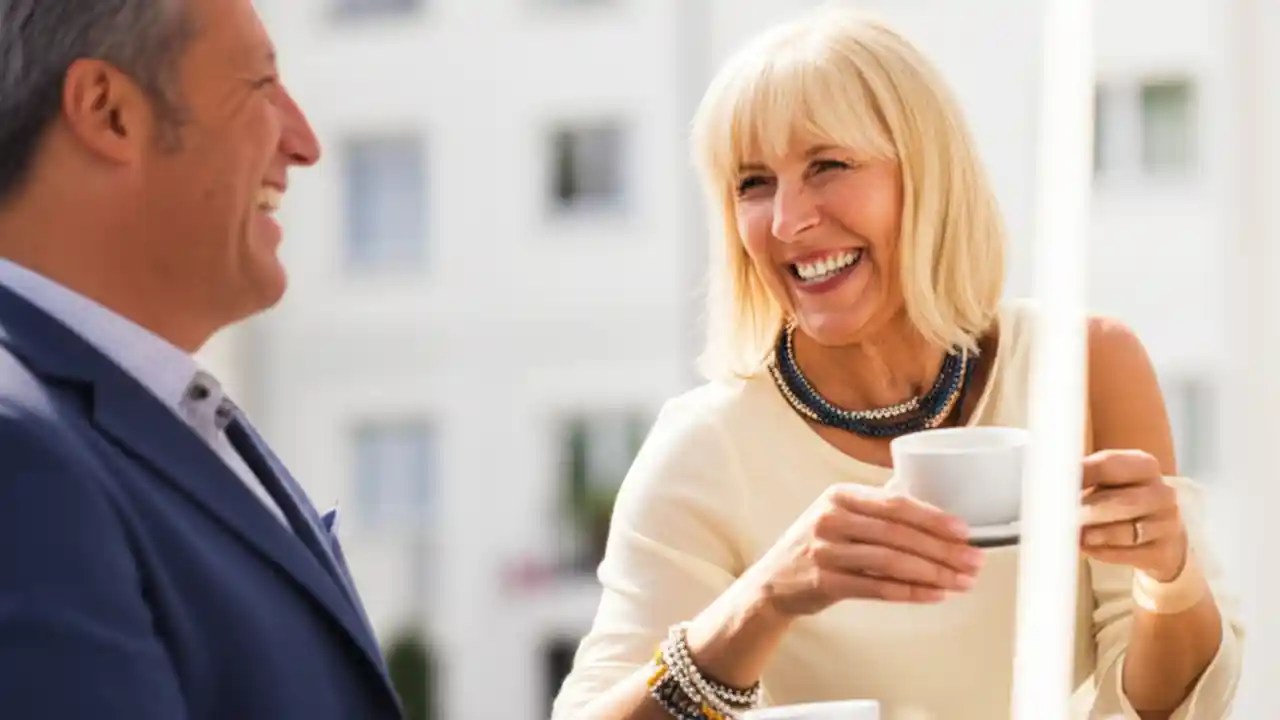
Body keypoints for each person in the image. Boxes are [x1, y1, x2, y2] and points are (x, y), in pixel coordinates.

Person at [552, 9, 1243, 720]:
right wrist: (765, 598)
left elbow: (1172, 706)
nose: (788, 221)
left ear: (926, 176)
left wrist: (1169, 574)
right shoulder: (707, 448)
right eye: (754, 183)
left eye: (828, 166)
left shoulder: (1083, 368)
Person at [0, 1, 401, 718]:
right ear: (108, 111)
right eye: (261, 86)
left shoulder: (165, 418)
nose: (305, 143)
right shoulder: (20, 450)